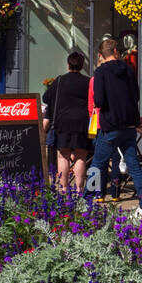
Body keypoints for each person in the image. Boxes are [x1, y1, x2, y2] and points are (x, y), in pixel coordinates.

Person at [85, 38, 142, 219]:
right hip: (129, 124)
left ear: (101, 55)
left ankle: (85, 204)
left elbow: (98, 100)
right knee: (134, 166)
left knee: (97, 164)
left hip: (110, 125)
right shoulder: (128, 70)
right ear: (116, 51)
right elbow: (136, 95)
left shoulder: (100, 72)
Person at [42, 50, 92, 194]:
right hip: (82, 123)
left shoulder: (59, 80)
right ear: (82, 66)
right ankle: (79, 189)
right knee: (81, 155)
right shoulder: (88, 82)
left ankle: (64, 189)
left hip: (63, 122)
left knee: (63, 155)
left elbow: (46, 98)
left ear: (68, 64)